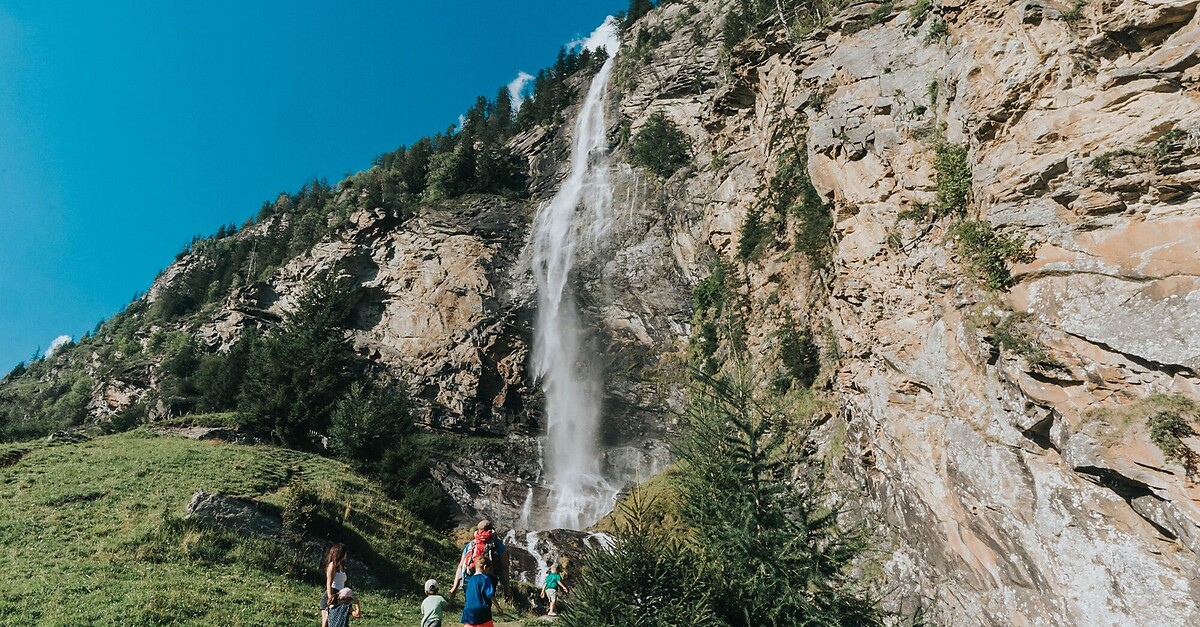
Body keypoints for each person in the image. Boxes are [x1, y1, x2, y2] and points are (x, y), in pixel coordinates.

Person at [448, 520, 508, 600]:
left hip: (469, 578)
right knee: (484, 606)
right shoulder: (498, 546)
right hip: (488, 579)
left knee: (469, 603)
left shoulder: (471, 544)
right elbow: (504, 568)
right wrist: (507, 589)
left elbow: (461, 566)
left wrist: (454, 587)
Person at [461, 555, 504, 627]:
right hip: (482, 611)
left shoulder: (470, 580)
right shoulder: (485, 578)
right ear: (485, 567)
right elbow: (490, 595)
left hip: (468, 611)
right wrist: (498, 607)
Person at [319, 543, 349, 627]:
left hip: (340, 596)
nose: (346, 555)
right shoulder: (332, 565)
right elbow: (329, 583)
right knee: (327, 622)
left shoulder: (341, 566)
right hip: (332, 594)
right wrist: (330, 598)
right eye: (345, 552)